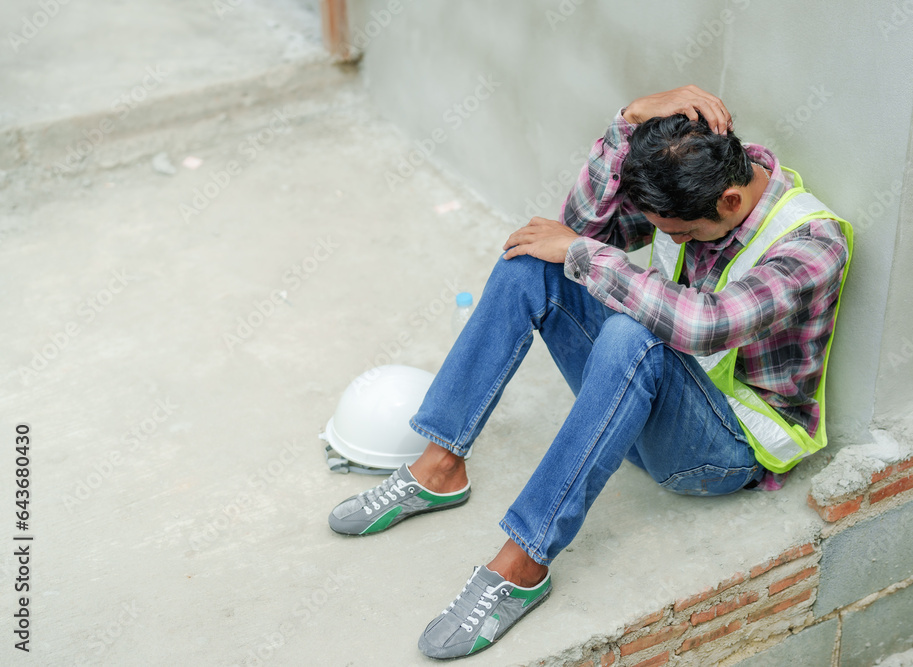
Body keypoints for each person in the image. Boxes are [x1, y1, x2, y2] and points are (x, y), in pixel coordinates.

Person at [328, 85, 852, 660]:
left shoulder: (811, 243)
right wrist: (624, 124)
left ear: (730, 202)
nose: (671, 239)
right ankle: (439, 468)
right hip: (641, 400)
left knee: (632, 330)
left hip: (724, 451)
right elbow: (577, 231)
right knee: (533, 259)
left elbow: (707, 327)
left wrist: (581, 252)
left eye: (679, 234)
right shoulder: (686, 178)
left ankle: (523, 563)